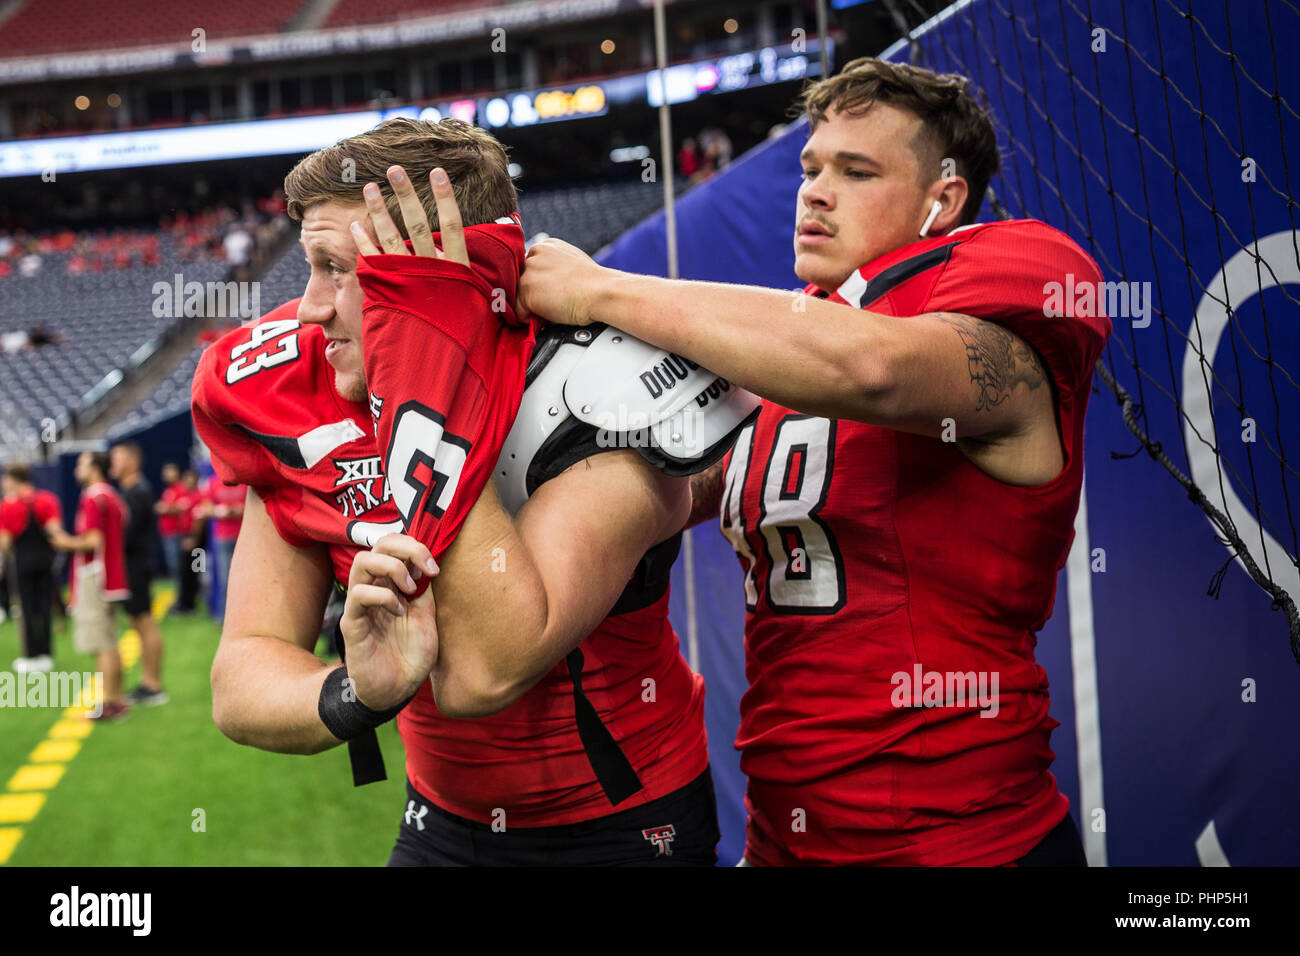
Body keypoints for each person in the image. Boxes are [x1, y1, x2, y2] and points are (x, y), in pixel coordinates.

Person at [519, 57, 1112, 866]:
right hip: (789, 833)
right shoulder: (795, 356)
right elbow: (675, 492)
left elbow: (876, 368)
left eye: (856, 171)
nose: (816, 191)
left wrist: (602, 292)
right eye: (811, 168)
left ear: (944, 198)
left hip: (964, 842)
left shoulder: (993, 301)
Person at [192, 117, 754, 866]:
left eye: (337, 269)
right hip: (442, 821)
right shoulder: (305, 391)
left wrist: (425, 382)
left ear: (445, 272)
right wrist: (356, 691)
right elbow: (242, 674)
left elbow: (485, 672)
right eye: (310, 265)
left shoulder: (589, 382)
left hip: (623, 821)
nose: (309, 308)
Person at [49, 451, 130, 721]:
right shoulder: (111, 496)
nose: (76, 470)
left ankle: (109, 702)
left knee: (101, 643)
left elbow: (93, 541)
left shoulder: (95, 497)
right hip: (109, 576)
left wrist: (64, 542)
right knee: (109, 639)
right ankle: (116, 699)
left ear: (95, 468)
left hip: (95, 575)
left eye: (82, 465)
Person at [109, 442, 168, 706]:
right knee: (138, 623)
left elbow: (126, 535)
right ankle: (148, 683)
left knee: (145, 623)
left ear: (132, 462)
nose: (113, 463)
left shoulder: (138, 492)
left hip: (136, 568)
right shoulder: (132, 491)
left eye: (118, 458)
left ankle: (153, 685)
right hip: (133, 566)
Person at [0, 463, 62, 672]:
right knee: (44, 606)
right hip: (45, 559)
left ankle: (31, 655)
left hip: (22, 562)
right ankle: (46, 653)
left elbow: (5, 541)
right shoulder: (46, 499)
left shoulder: (9, 506)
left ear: (13, 480)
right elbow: (55, 531)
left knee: (26, 608)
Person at [201, 472, 244, 620]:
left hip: (243, 536)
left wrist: (238, 510)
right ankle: (223, 617)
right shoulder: (213, 482)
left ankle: (243, 618)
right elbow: (205, 508)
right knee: (225, 579)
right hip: (223, 537)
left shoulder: (244, 480)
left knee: (244, 580)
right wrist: (220, 511)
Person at [172, 469, 204, 614]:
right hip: (185, 536)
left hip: (194, 539)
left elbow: (200, 520)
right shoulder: (186, 496)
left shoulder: (199, 497)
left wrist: (194, 539)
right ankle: (184, 602)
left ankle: (190, 604)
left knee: (193, 571)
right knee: (185, 572)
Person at [155, 462, 184, 578]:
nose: (166, 474)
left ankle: (182, 593)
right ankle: (178, 592)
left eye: (169, 471)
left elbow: (182, 508)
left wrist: (165, 508)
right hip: (167, 533)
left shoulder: (180, 489)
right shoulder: (168, 490)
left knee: (177, 565)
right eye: (165, 472)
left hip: (176, 533)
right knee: (172, 565)